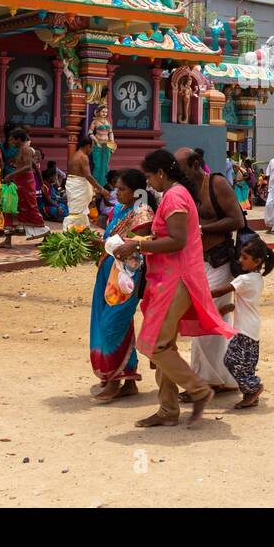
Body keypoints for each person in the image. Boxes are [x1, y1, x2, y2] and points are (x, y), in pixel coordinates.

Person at [112, 149, 235, 428]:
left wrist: (139, 244)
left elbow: (178, 240)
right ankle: (168, 409)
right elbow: (168, 235)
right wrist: (137, 241)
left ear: (161, 174)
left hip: (177, 279)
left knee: (154, 344)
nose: (149, 183)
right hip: (167, 278)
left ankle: (199, 389)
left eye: (149, 177)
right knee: (164, 345)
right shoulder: (172, 195)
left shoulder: (176, 196)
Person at [179, 148, 245, 393]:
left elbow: (237, 220)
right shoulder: (186, 189)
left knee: (206, 319)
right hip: (197, 262)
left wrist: (202, 229)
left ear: (196, 165)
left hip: (219, 261)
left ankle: (204, 380)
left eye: (182, 167)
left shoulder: (217, 183)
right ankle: (224, 378)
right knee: (214, 320)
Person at [90, 169, 155, 401]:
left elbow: (139, 246)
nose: (117, 193)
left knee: (112, 324)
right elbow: (110, 239)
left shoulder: (142, 213)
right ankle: (128, 380)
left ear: (137, 192)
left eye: (122, 189)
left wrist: (110, 244)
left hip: (126, 277)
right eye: (116, 188)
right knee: (113, 324)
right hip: (106, 272)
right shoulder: (119, 210)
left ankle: (114, 379)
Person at [213, 235, 274, 409]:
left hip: (245, 330)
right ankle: (250, 394)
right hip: (252, 328)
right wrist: (231, 307)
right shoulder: (256, 278)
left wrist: (199, 290)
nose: (240, 260)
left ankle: (254, 388)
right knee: (246, 364)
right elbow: (246, 299)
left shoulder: (244, 279)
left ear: (257, 261)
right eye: (241, 256)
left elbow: (219, 292)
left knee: (231, 360)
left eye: (245, 258)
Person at [0, 128, 49, 248]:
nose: (10, 141)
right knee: (8, 208)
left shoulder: (26, 149)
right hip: (19, 183)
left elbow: (27, 167)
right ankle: (7, 240)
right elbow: (35, 166)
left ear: (19, 139)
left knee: (31, 209)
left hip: (25, 183)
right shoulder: (22, 149)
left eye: (12, 139)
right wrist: (42, 183)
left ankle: (48, 236)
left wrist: (10, 175)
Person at [63, 135, 109, 230]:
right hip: (77, 186)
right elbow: (88, 175)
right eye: (92, 147)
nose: (92, 150)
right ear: (88, 146)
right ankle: (70, 232)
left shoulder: (75, 155)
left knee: (79, 212)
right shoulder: (83, 157)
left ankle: (81, 231)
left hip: (74, 184)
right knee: (76, 213)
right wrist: (101, 189)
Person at [88, 102, 116, 187]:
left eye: (106, 112)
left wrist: (112, 141)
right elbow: (89, 133)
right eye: (103, 112)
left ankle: (104, 185)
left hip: (106, 145)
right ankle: (95, 185)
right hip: (97, 145)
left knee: (105, 165)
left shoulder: (108, 122)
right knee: (97, 165)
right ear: (99, 112)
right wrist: (96, 140)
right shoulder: (95, 122)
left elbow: (111, 132)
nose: (104, 113)